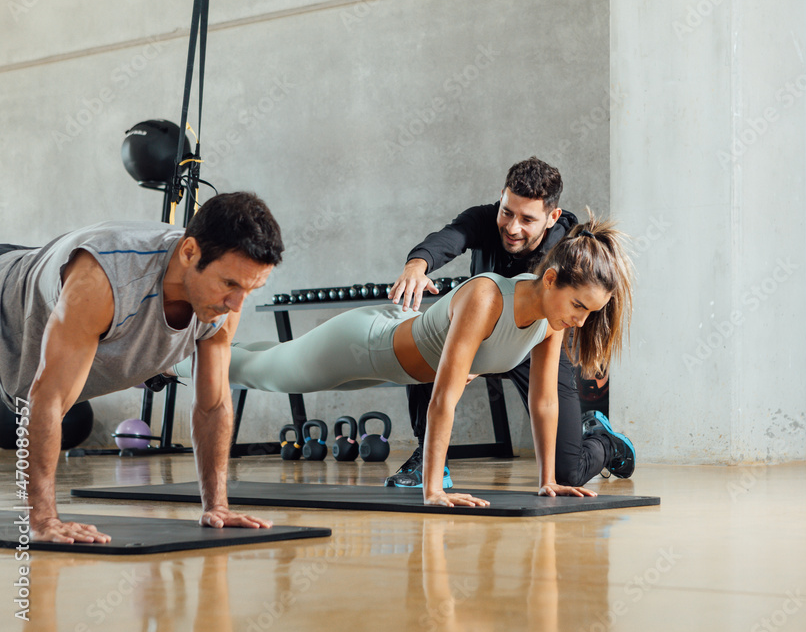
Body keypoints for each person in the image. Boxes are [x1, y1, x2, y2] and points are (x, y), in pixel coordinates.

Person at [174, 214, 634, 507]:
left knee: (266, 358)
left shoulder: (552, 322)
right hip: (365, 345)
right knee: (262, 371)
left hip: (393, 361)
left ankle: (183, 356)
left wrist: (548, 480)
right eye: (579, 306)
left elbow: (544, 402)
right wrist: (434, 489)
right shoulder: (488, 297)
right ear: (551, 279)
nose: (580, 320)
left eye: (590, 313)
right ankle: (169, 359)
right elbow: (443, 399)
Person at [0, 192, 284, 543]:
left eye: (251, 289)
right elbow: (49, 398)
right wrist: (42, 519)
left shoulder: (222, 307)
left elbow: (212, 405)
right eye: (230, 284)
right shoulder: (103, 279)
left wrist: (218, 506)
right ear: (189, 252)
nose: (236, 303)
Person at [386, 157, 633, 489]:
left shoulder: (566, 247)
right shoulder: (485, 219)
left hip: (539, 345)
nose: (513, 227)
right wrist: (417, 265)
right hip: (483, 335)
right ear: (501, 196)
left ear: (552, 217)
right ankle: (430, 460)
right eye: (508, 212)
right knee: (424, 347)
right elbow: (449, 238)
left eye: (528, 219)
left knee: (568, 474)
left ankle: (604, 440)